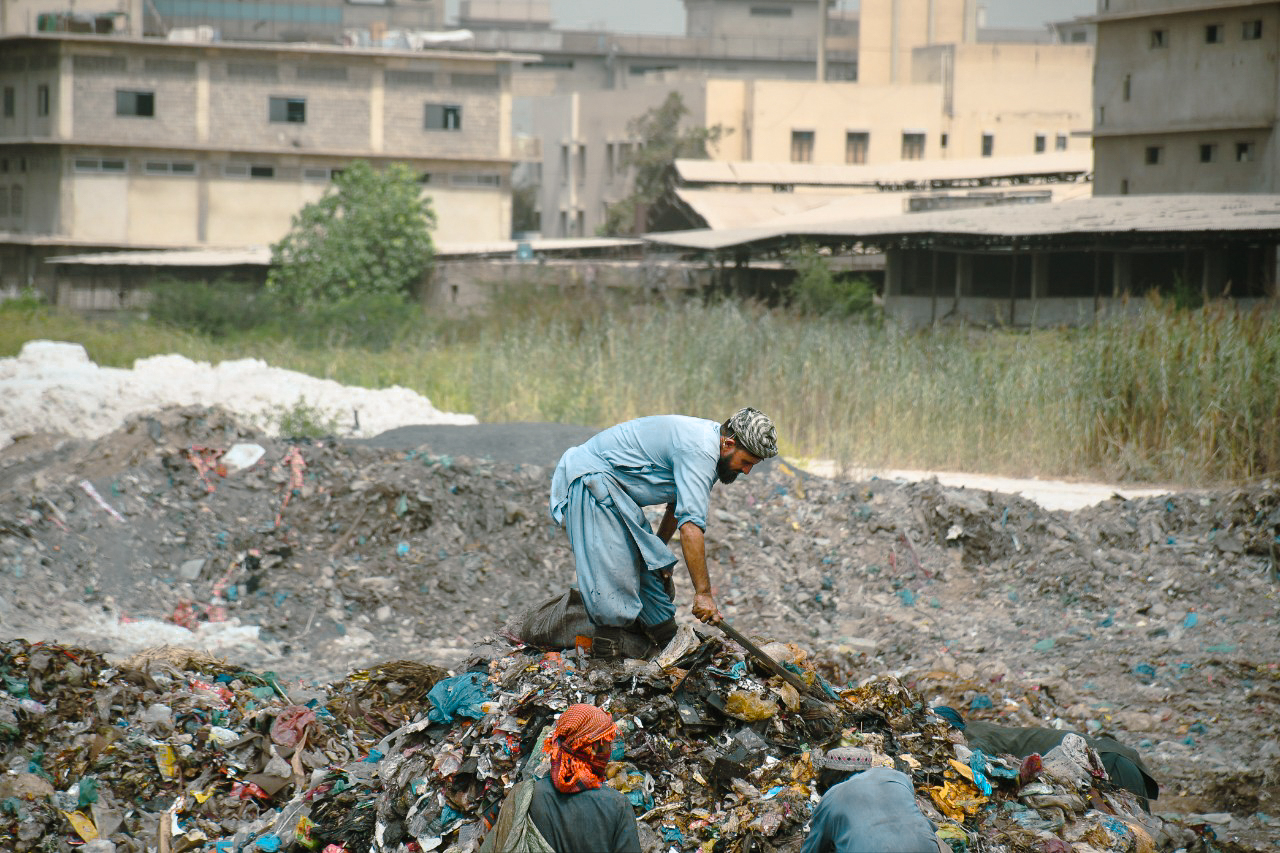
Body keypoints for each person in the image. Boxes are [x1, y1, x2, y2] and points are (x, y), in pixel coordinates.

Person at [549, 408, 777, 654]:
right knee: (615, 569)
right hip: (591, 480)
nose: (746, 471)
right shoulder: (699, 450)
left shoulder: (712, 453)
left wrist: (657, 552)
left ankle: (667, 639)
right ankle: (608, 648)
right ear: (729, 443)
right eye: (745, 463)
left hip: (615, 493)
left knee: (651, 571)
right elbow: (690, 526)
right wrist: (703, 594)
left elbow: (677, 506)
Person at [931, 706, 1159, 812]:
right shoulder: (980, 728)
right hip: (1110, 759)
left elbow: (980, 764)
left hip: (1109, 765)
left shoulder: (974, 738)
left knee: (1138, 835)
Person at [801, 748, 946, 853]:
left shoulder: (832, 796)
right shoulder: (899, 776)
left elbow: (814, 848)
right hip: (926, 847)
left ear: (829, 773)